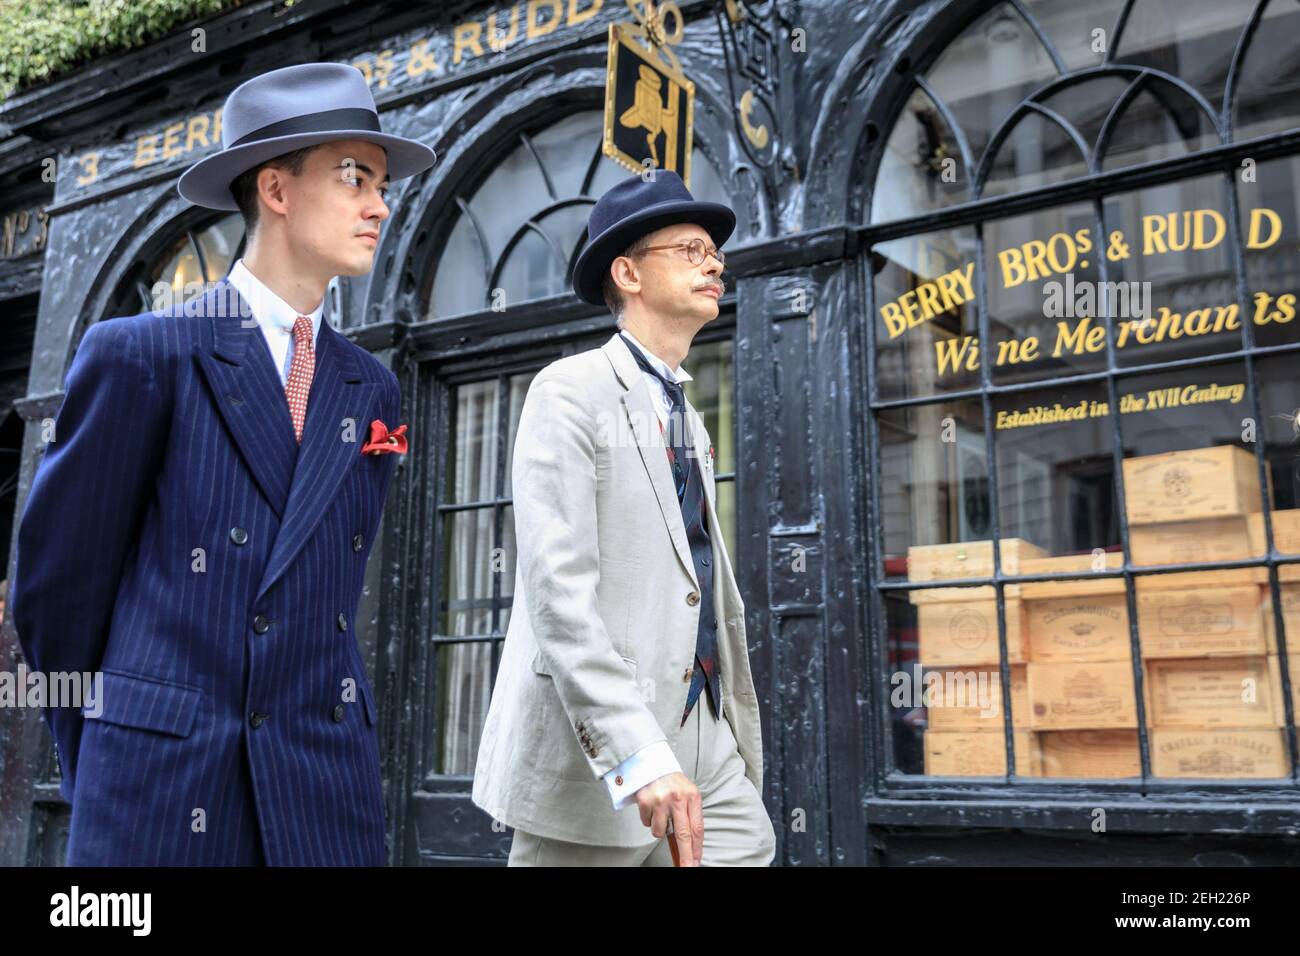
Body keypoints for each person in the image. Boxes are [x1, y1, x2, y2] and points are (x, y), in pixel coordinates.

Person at [9, 62, 433, 865]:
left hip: (322, 795)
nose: (380, 204)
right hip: (163, 796)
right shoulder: (146, 354)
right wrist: (115, 742)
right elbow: (54, 597)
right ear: (276, 190)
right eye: (355, 178)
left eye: (381, 184)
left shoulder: (370, 385)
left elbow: (329, 599)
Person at [472, 169, 776, 866]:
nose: (713, 263)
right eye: (691, 249)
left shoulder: (685, 416)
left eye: (716, 254)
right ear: (628, 273)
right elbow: (560, 597)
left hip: (707, 740)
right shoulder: (569, 392)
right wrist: (638, 752)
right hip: (600, 758)